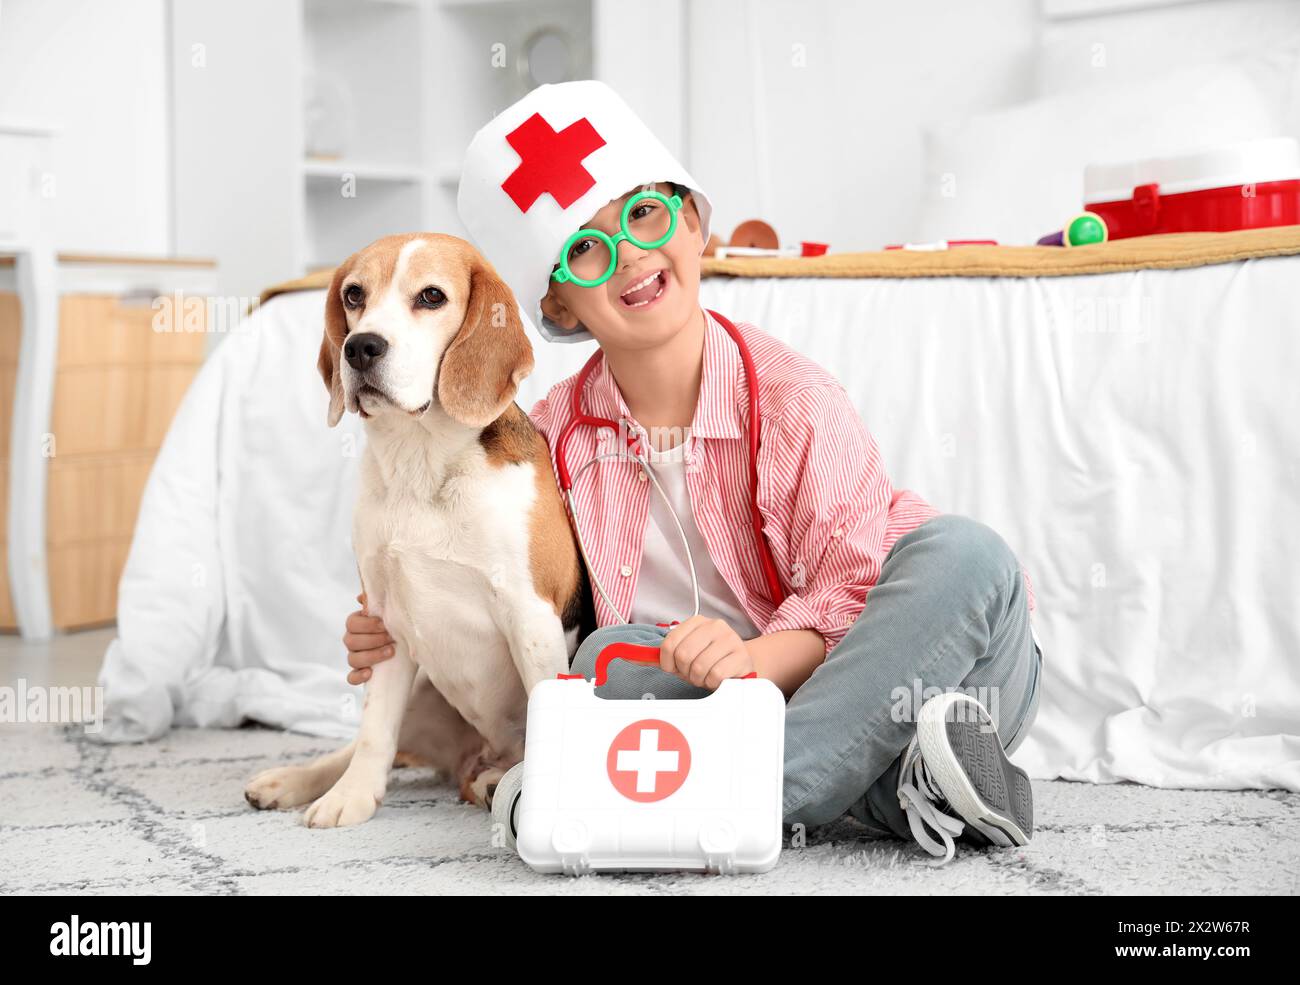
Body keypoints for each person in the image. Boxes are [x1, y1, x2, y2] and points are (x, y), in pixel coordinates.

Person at [342, 80, 1042, 864]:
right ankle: (907, 784)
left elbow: (851, 587)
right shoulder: (555, 440)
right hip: (710, 700)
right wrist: (402, 614)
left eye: (645, 213)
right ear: (562, 305)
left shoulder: (793, 398)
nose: (632, 255)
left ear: (695, 223)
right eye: (585, 247)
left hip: (899, 662)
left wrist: (751, 660)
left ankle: (720, 796)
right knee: (598, 663)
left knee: (966, 556)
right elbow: (516, 582)